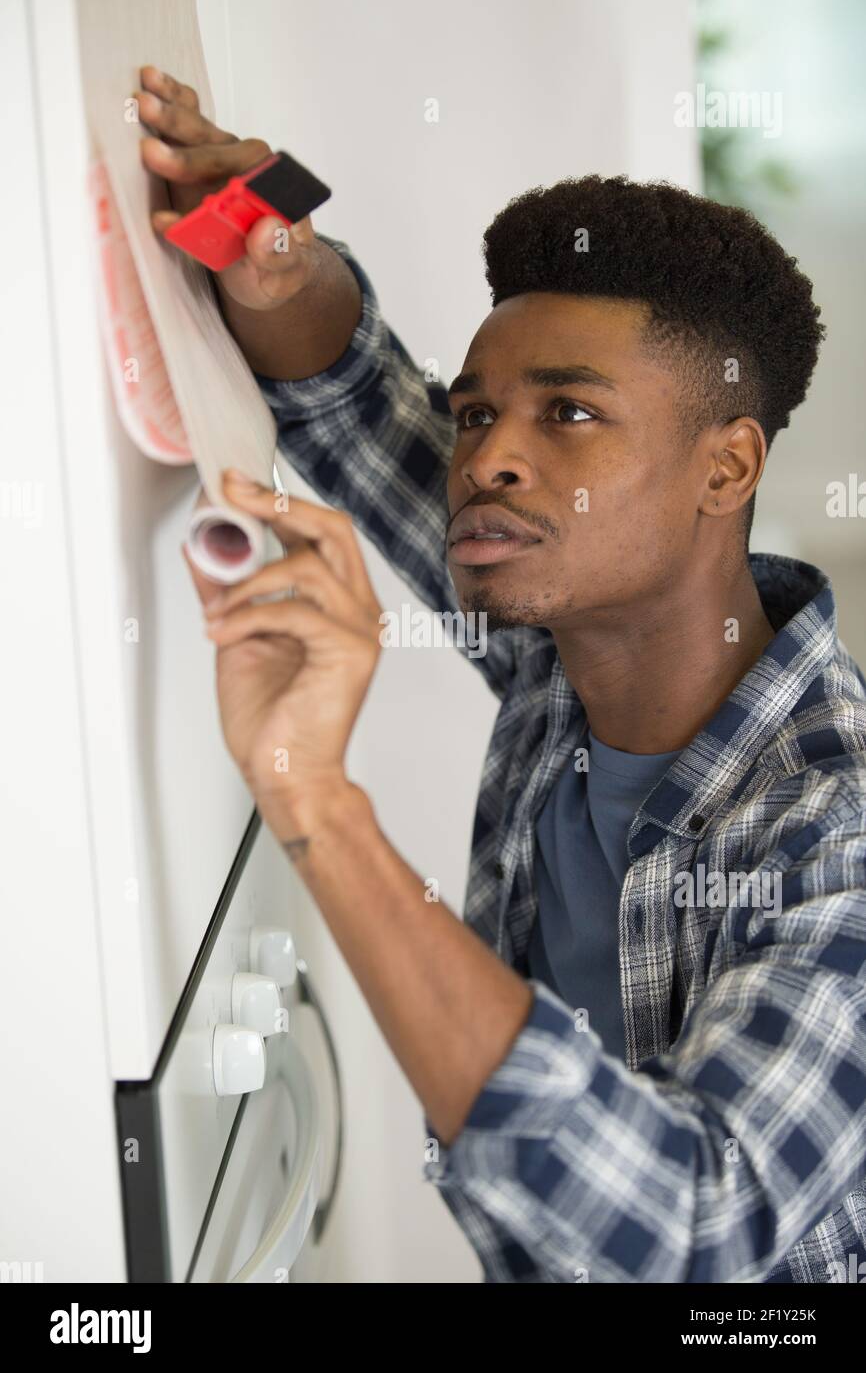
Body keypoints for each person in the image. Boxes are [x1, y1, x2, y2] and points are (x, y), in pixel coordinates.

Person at [137, 66, 866, 1284]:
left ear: (724, 467)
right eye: (478, 417)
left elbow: (694, 1232)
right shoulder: (566, 632)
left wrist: (317, 802)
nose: (490, 463)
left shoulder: (831, 834)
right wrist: (280, 258)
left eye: (568, 415)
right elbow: (357, 397)